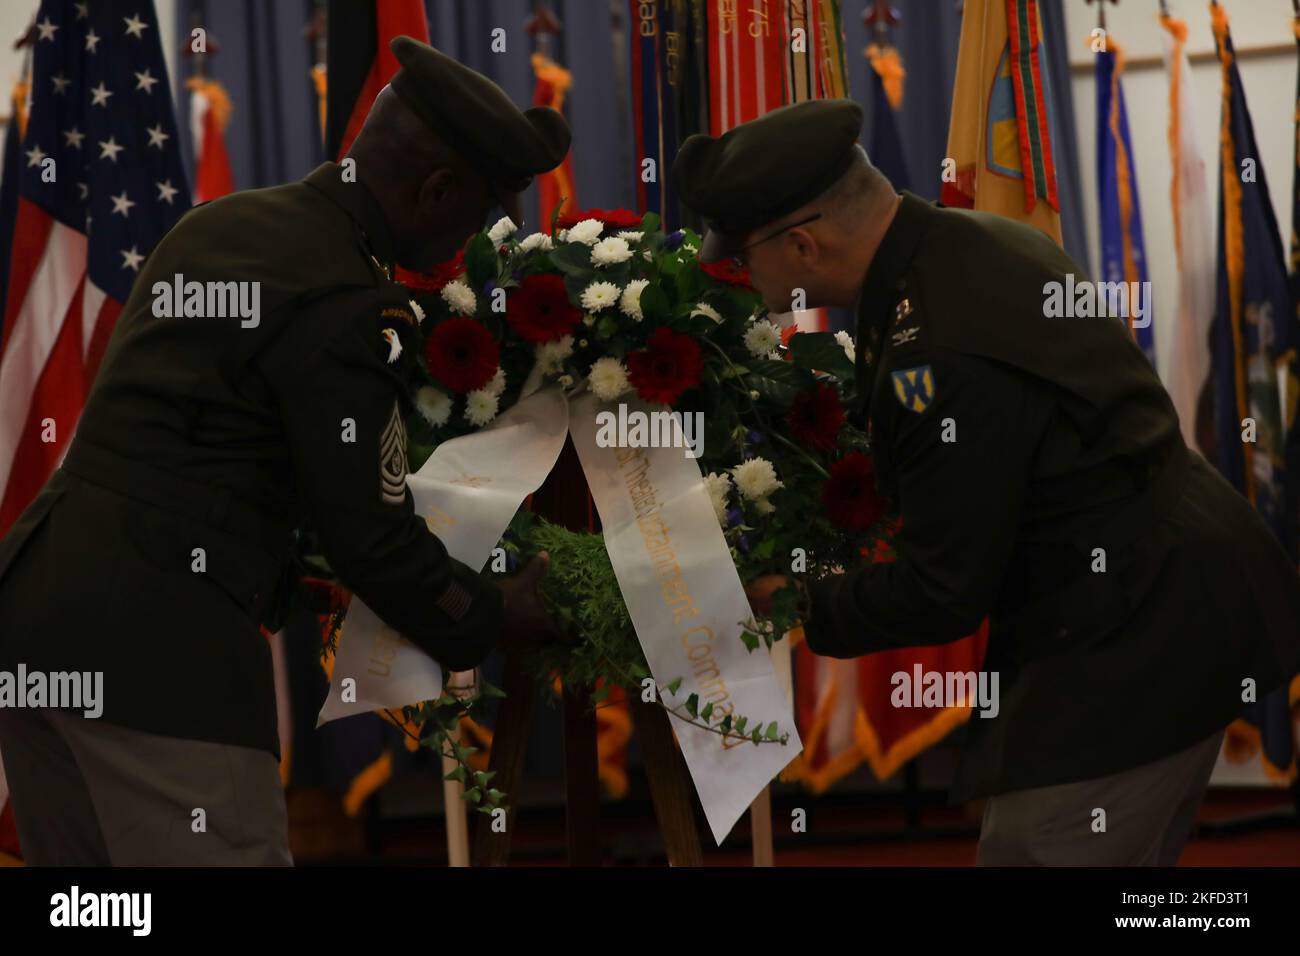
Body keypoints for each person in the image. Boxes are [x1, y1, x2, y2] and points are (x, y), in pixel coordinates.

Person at [673, 98, 1300, 866]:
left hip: (1137, 627)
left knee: (1035, 851)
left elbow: (944, 589)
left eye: (743, 256)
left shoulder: (937, 345)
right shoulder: (963, 240)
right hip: (1163, 588)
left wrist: (792, 601)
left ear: (802, 244)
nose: (739, 273)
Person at [0, 38, 567, 865]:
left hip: (40, 621)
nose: (468, 235)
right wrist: (492, 613)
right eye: (474, 212)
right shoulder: (343, 293)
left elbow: (202, 449)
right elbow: (371, 540)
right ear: (439, 189)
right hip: (159, 657)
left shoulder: (226, 223)